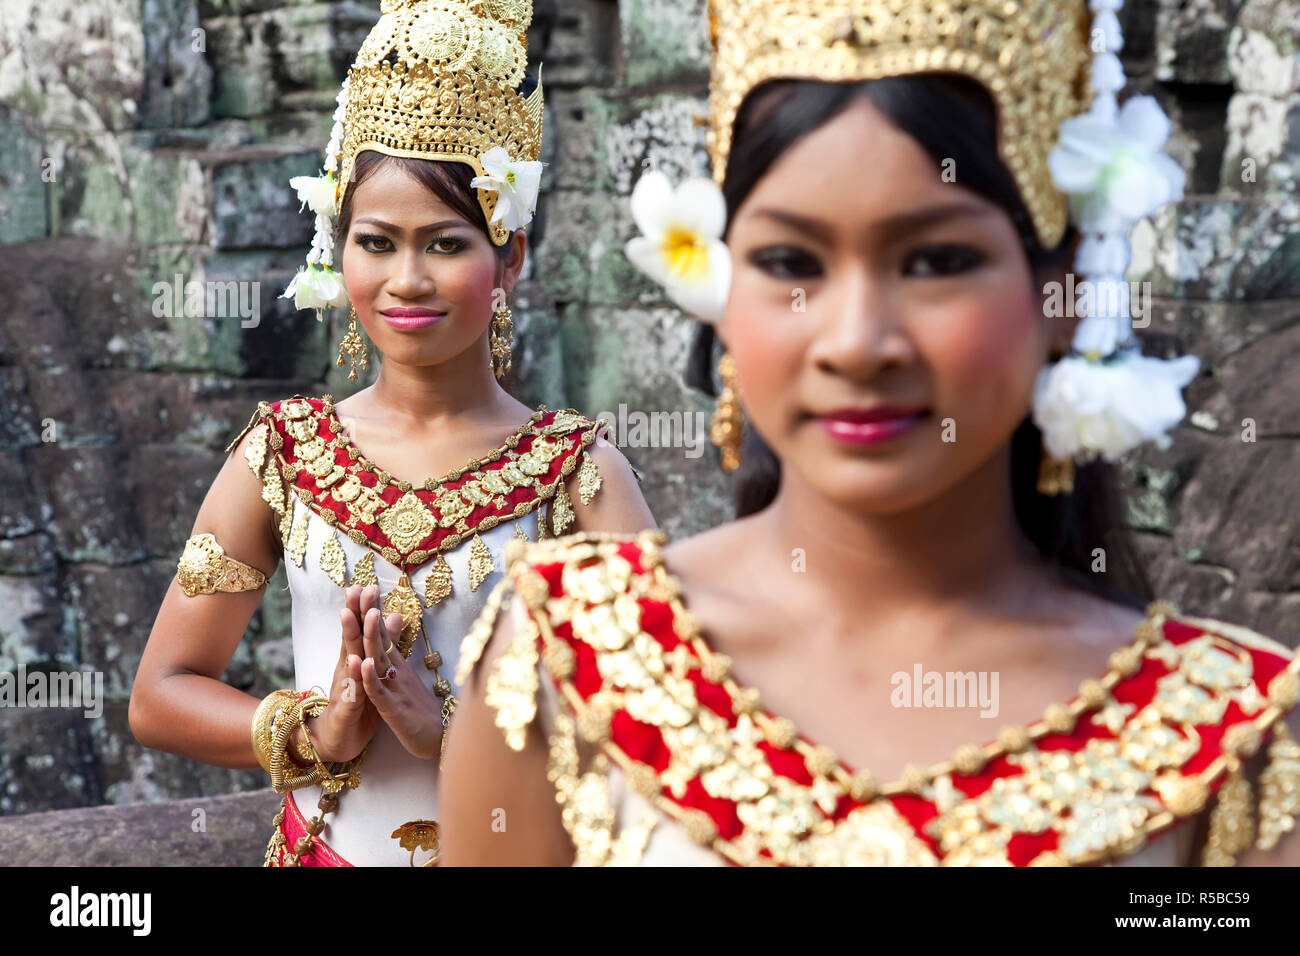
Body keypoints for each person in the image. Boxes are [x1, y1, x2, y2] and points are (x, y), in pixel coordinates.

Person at [438, 0, 1300, 866]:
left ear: (1064, 291)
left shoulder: (1227, 742)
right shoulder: (563, 658)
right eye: (790, 264)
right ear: (724, 294)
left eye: (935, 262)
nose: (856, 340)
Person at [128, 0, 655, 867]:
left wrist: (451, 736)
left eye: (446, 244)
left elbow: (656, 738)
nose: (407, 280)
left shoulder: (577, 477)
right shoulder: (285, 457)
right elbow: (161, 697)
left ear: (510, 257)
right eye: (376, 242)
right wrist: (319, 730)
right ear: (340, 250)